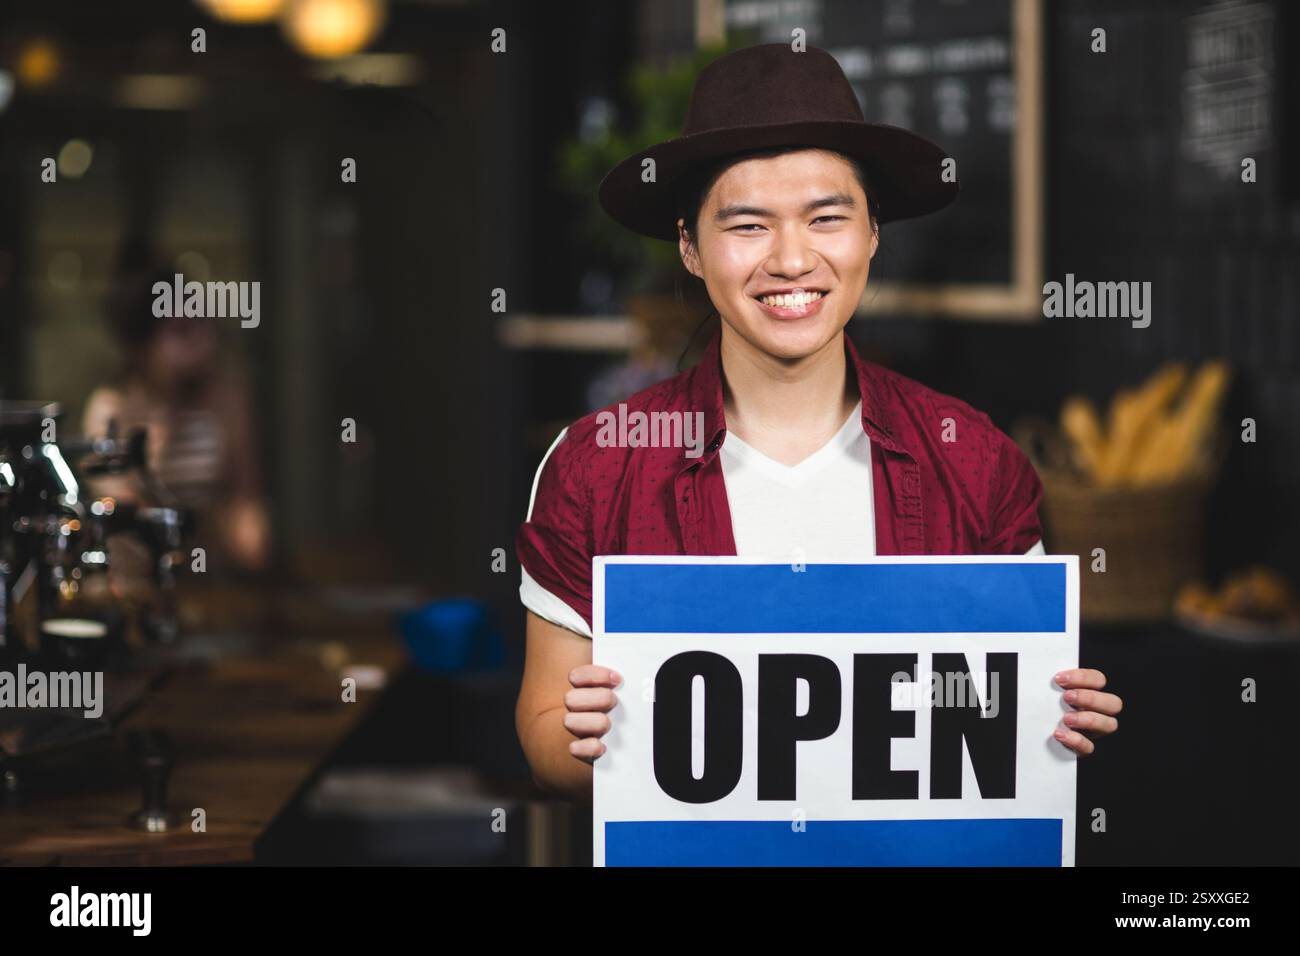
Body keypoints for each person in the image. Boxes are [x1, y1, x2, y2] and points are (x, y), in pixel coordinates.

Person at [515, 44, 1121, 800]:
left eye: (827, 218)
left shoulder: (976, 463)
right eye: (748, 226)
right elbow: (543, 724)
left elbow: (1003, 716)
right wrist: (600, 744)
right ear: (690, 247)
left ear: (872, 233)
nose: (792, 260)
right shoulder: (597, 467)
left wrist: (1051, 721)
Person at [82, 253, 269, 575]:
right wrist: (159, 442)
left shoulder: (224, 400)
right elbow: (125, 516)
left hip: (212, 577)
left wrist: (250, 544)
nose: (203, 342)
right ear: (141, 346)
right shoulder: (112, 409)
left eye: (203, 325)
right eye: (182, 331)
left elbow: (245, 503)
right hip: (139, 580)